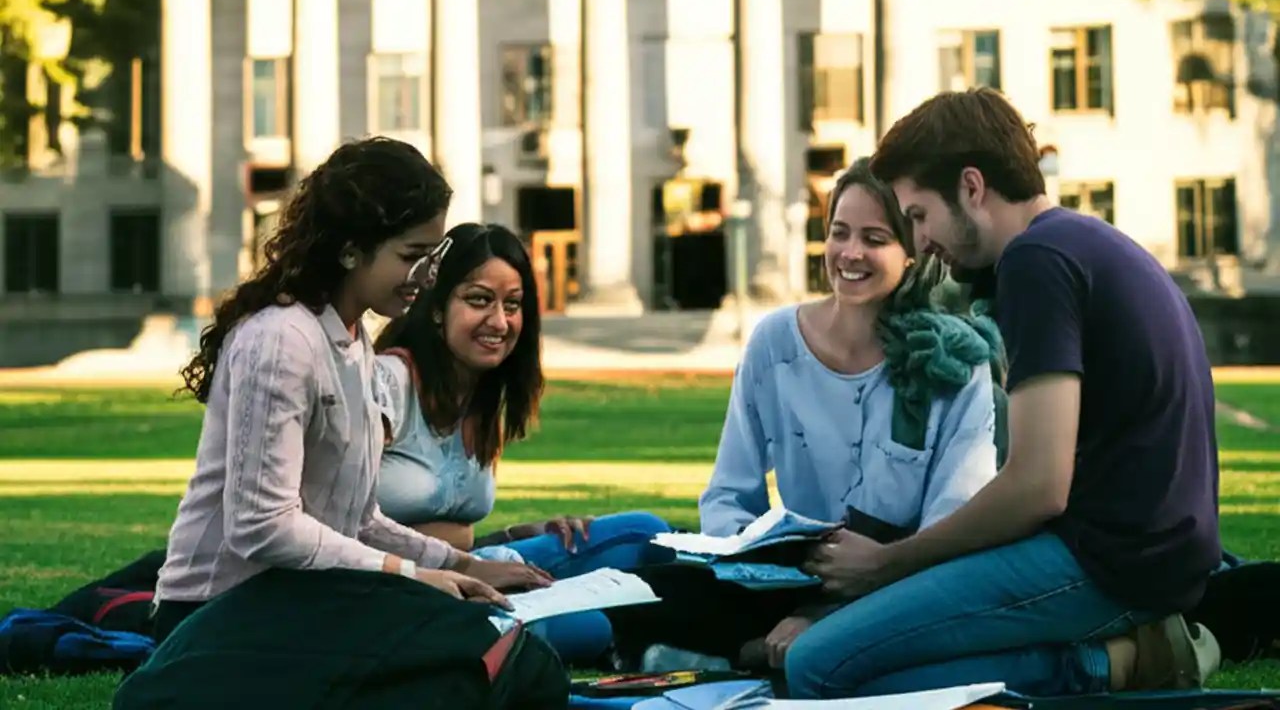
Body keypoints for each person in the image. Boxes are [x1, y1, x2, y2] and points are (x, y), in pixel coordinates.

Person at [776, 87, 1223, 699]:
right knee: (854, 656)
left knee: (815, 666)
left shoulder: (1035, 262)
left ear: (971, 187)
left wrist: (888, 562)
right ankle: (1103, 654)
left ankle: (1111, 664)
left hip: (1114, 562)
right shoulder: (1081, 241)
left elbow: (1038, 484)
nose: (922, 240)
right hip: (1150, 549)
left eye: (918, 215)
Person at [606, 158, 1003, 673]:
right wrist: (761, 566)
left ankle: (755, 656)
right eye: (840, 233)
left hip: (900, 582)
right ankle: (767, 651)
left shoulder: (953, 363)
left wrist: (834, 604)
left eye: (875, 238)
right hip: (787, 584)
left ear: (911, 254)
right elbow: (728, 495)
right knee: (640, 584)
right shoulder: (775, 343)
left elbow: (951, 523)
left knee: (928, 622)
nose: (851, 254)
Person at [153, 137, 551, 644]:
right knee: (462, 645)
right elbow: (262, 526)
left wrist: (464, 564)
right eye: (413, 255)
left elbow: (358, 520)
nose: (427, 276)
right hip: (215, 616)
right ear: (350, 251)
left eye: (434, 255)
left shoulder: (353, 340)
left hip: (300, 599)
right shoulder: (282, 340)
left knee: (498, 635)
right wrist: (409, 575)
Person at [372, 221, 671, 665]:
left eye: (513, 304)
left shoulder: (482, 396)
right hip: (401, 586)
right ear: (436, 306)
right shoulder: (387, 383)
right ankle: (637, 648)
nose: (499, 321)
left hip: (476, 564)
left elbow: (459, 529)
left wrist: (515, 533)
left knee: (648, 534)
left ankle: (657, 643)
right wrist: (458, 560)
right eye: (478, 300)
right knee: (585, 629)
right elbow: (336, 523)